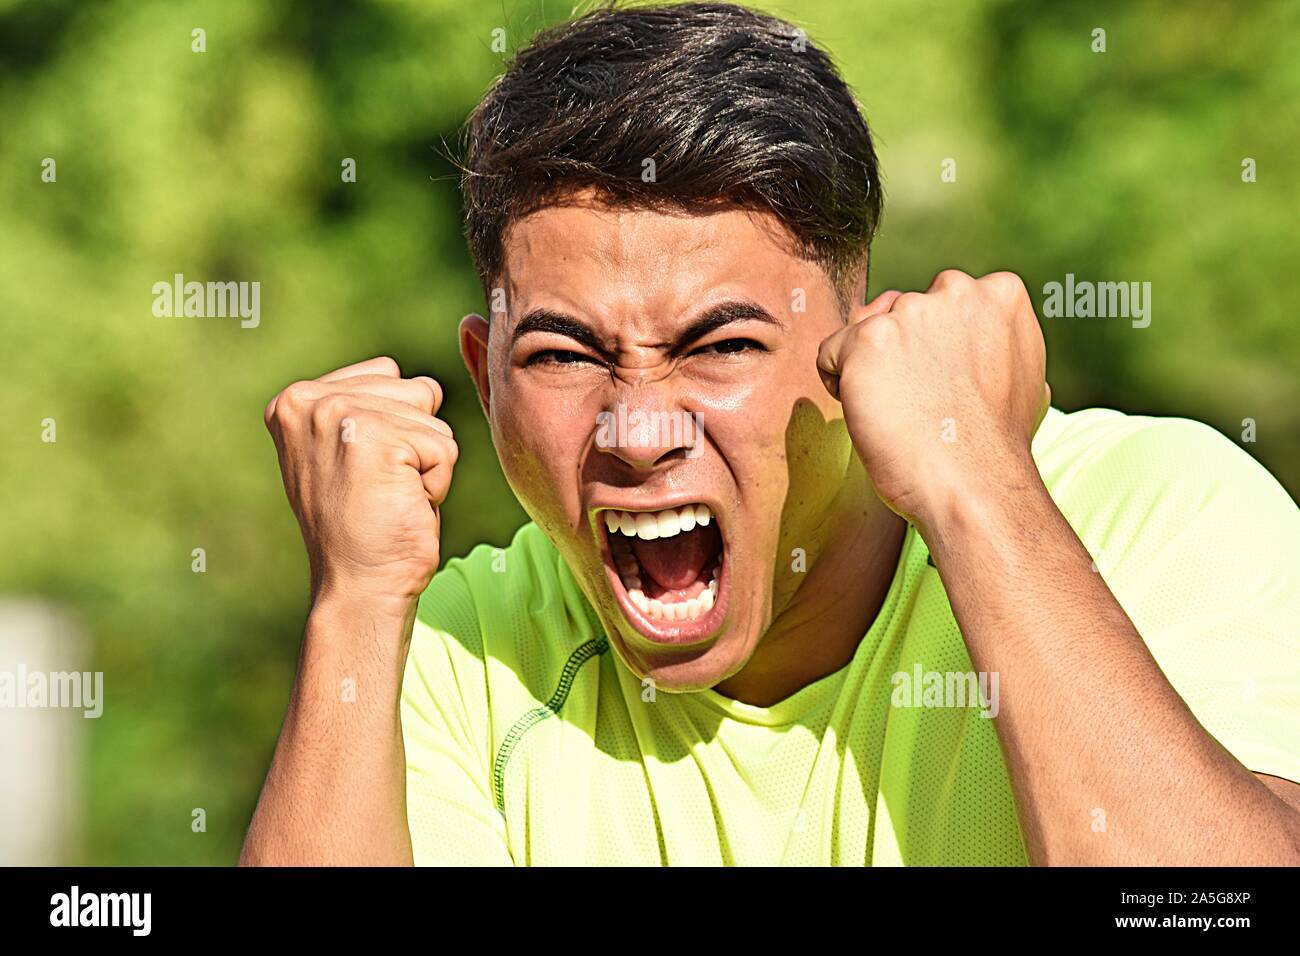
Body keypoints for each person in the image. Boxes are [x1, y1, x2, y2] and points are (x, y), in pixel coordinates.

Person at [240, 2, 1300, 866]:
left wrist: (977, 488)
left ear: (858, 358)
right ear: (483, 378)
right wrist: (353, 597)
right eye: (563, 356)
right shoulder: (453, 650)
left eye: (721, 345)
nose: (638, 428)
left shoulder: (1153, 509)